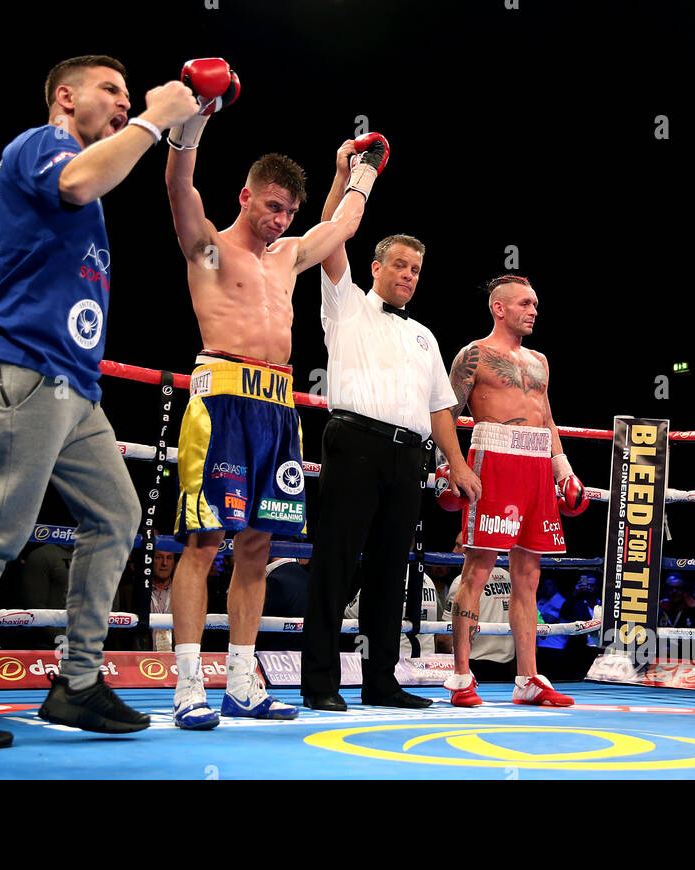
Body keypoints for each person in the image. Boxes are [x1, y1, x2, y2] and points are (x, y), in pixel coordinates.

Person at [0, 56, 199, 749]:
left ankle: (77, 683)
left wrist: (188, 125)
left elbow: (121, 174)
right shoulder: (41, 145)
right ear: (65, 97)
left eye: (125, 95)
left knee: (117, 516)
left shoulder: (88, 169)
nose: (121, 101)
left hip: (73, 384)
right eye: (108, 90)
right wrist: (152, 115)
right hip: (24, 369)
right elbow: (86, 177)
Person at [164, 61, 381, 729]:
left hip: (277, 406)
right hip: (221, 397)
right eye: (272, 206)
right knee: (204, 543)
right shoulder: (208, 250)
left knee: (258, 544)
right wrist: (198, 110)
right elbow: (178, 185)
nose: (280, 218)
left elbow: (340, 229)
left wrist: (361, 172)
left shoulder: (287, 255)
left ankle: (242, 681)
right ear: (245, 197)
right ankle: (187, 685)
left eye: (288, 209)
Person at [300, 144, 480, 713]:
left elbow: (439, 408)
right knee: (335, 564)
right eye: (399, 265)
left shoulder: (425, 335)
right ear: (375, 267)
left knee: (390, 573)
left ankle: (381, 680)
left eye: (416, 269)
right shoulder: (346, 303)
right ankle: (321, 682)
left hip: (411, 458)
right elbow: (331, 232)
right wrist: (343, 176)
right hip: (353, 444)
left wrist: (458, 462)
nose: (408, 274)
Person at [439, 276, 581, 708]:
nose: (533, 310)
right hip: (494, 461)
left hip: (538, 465)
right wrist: (452, 467)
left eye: (535, 303)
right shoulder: (474, 354)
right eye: (524, 303)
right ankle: (461, 675)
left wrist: (564, 470)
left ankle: (528, 678)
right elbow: (445, 411)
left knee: (528, 575)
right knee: (478, 568)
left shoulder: (540, 360)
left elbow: (548, 418)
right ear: (498, 308)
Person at [441, 533, 515, 677]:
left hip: (470, 665)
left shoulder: (461, 582)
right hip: (506, 667)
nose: (453, 552)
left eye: (458, 546)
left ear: (471, 548)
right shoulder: (509, 577)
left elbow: (445, 638)